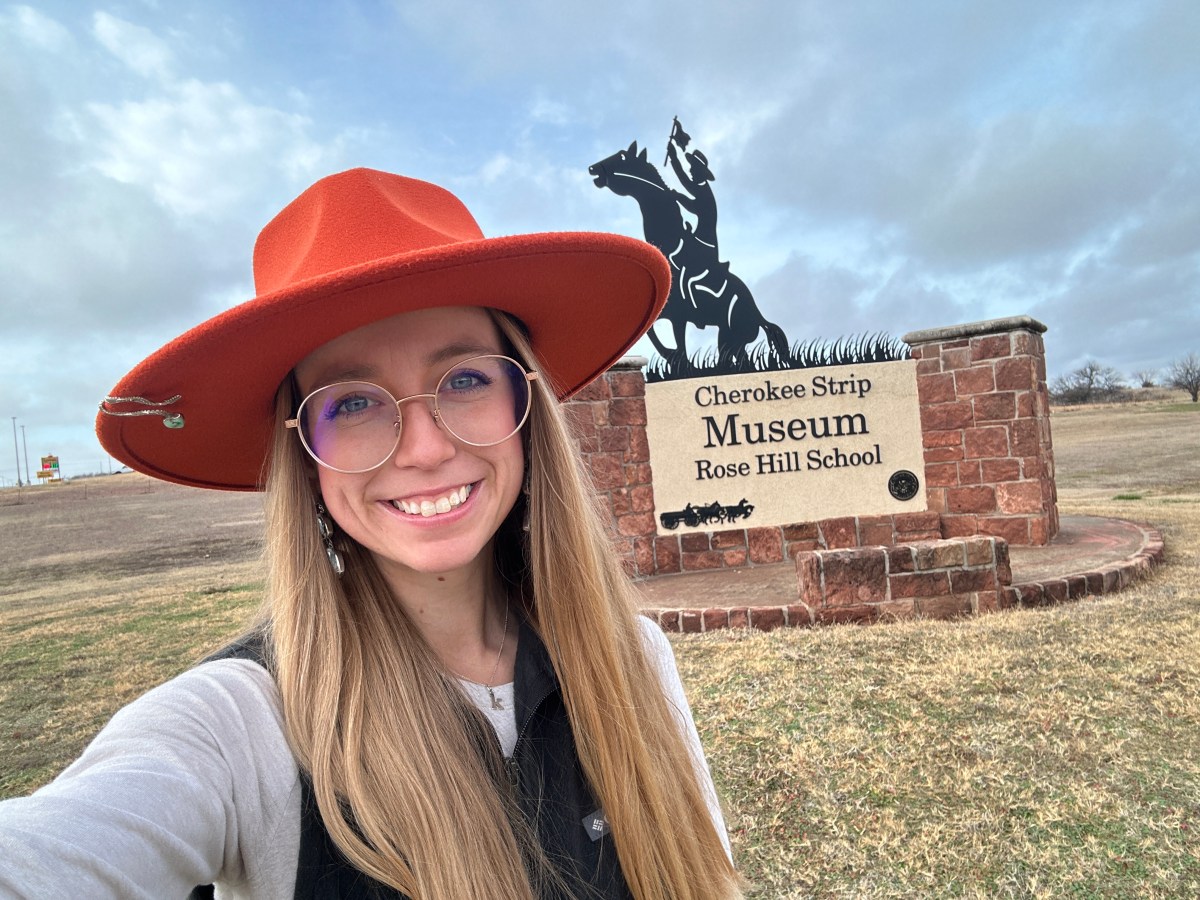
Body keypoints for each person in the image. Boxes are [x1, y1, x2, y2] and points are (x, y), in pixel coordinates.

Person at [0, 167, 742, 899]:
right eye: (352, 403)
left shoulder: (635, 659)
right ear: (305, 457)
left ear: (525, 404)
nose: (424, 448)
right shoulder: (239, 728)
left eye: (465, 379)